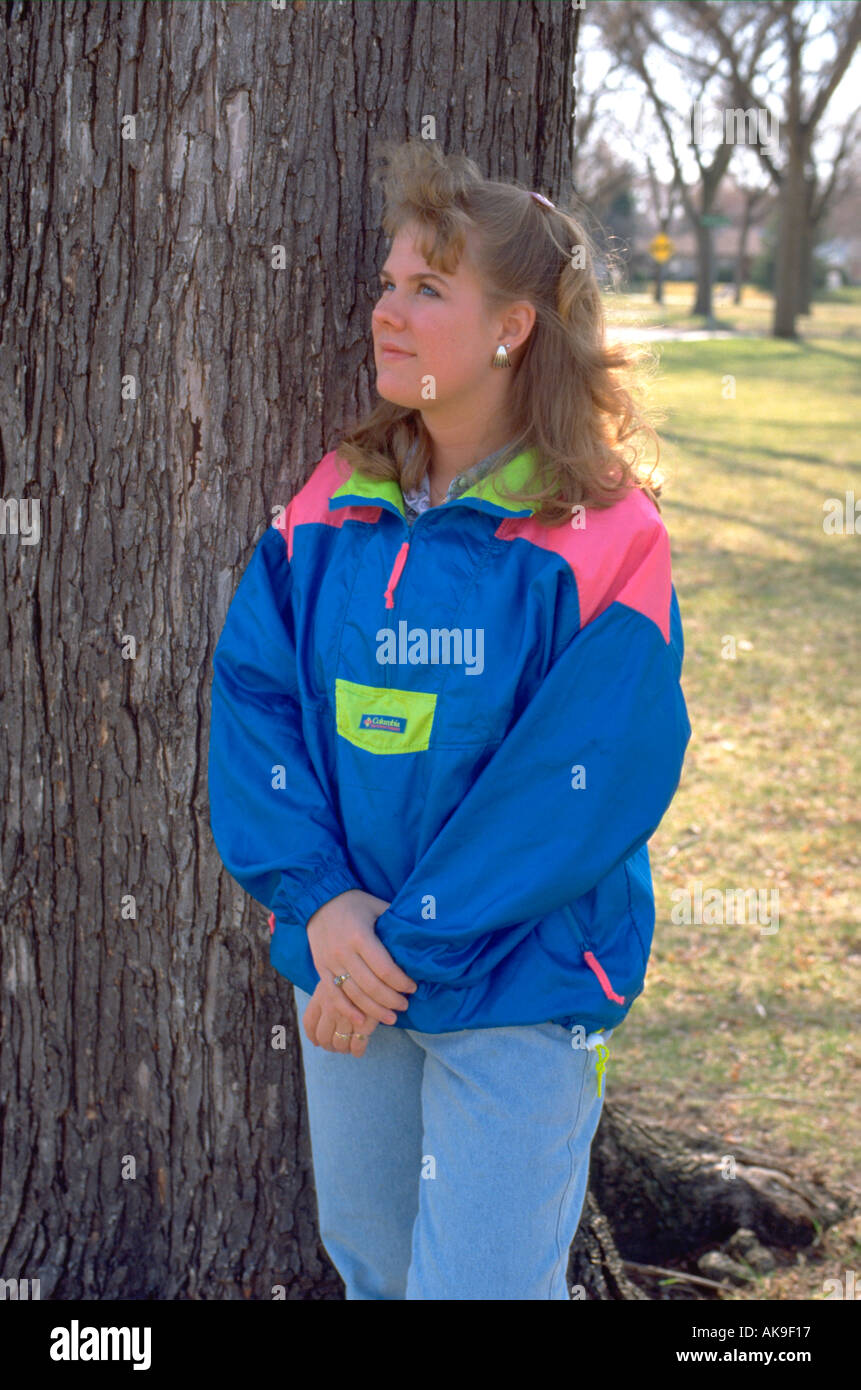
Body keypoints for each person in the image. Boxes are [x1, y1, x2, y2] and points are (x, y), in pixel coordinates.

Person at [207, 139, 691, 1300]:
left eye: (428, 289)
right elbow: (255, 701)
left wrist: (388, 948)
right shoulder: (334, 498)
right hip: (351, 972)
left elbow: (575, 789)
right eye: (388, 283)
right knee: (374, 1268)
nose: (387, 311)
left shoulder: (609, 538)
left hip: (516, 987)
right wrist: (320, 903)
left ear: (515, 326)